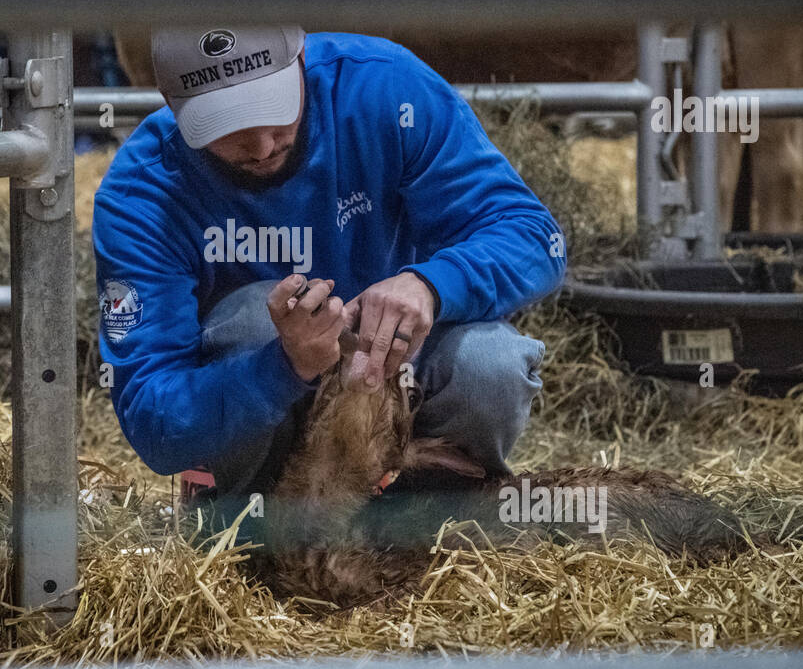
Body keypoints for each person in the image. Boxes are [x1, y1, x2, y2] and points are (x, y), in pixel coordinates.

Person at [92, 26, 565, 531]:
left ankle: (431, 523)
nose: (261, 143)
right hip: (266, 394)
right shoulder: (142, 193)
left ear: (300, 62)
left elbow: (535, 237)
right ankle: (251, 536)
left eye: (273, 108)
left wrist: (430, 284)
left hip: (396, 365)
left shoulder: (382, 89)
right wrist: (284, 365)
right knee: (255, 317)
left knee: (492, 362)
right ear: (170, 101)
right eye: (223, 124)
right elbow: (153, 419)